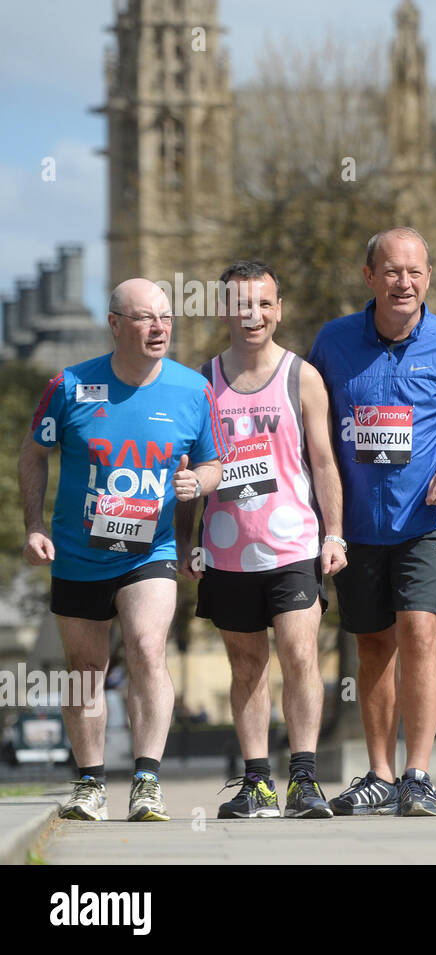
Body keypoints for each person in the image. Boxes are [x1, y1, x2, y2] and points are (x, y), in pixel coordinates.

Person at [19, 278, 226, 821]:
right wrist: (34, 526)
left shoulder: (191, 389)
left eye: (165, 317)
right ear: (115, 325)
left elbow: (213, 463)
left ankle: (147, 780)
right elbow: (34, 455)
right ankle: (89, 783)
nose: (159, 328)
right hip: (78, 553)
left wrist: (197, 485)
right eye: (144, 318)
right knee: (85, 668)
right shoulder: (68, 386)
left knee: (146, 647)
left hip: (150, 551)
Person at [308, 227, 436, 816]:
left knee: (419, 632)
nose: (403, 282)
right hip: (355, 525)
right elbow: (312, 427)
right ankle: (380, 773)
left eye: (414, 272)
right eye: (391, 271)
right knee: (373, 646)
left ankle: (419, 774)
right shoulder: (332, 344)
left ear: (428, 278)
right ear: (370, 277)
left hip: (425, 519)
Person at [174, 261, 346, 819]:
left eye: (264, 304)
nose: (254, 315)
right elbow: (191, 473)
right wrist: (185, 545)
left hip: (294, 545)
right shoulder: (202, 383)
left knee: (299, 655)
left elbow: (324, 462)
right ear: (225, 310)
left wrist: (334, 534)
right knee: (246, 668)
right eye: (242, 305)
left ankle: (304, 780)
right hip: (226, 550)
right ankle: (256, 783)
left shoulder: (304, 377)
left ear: (279, 309)